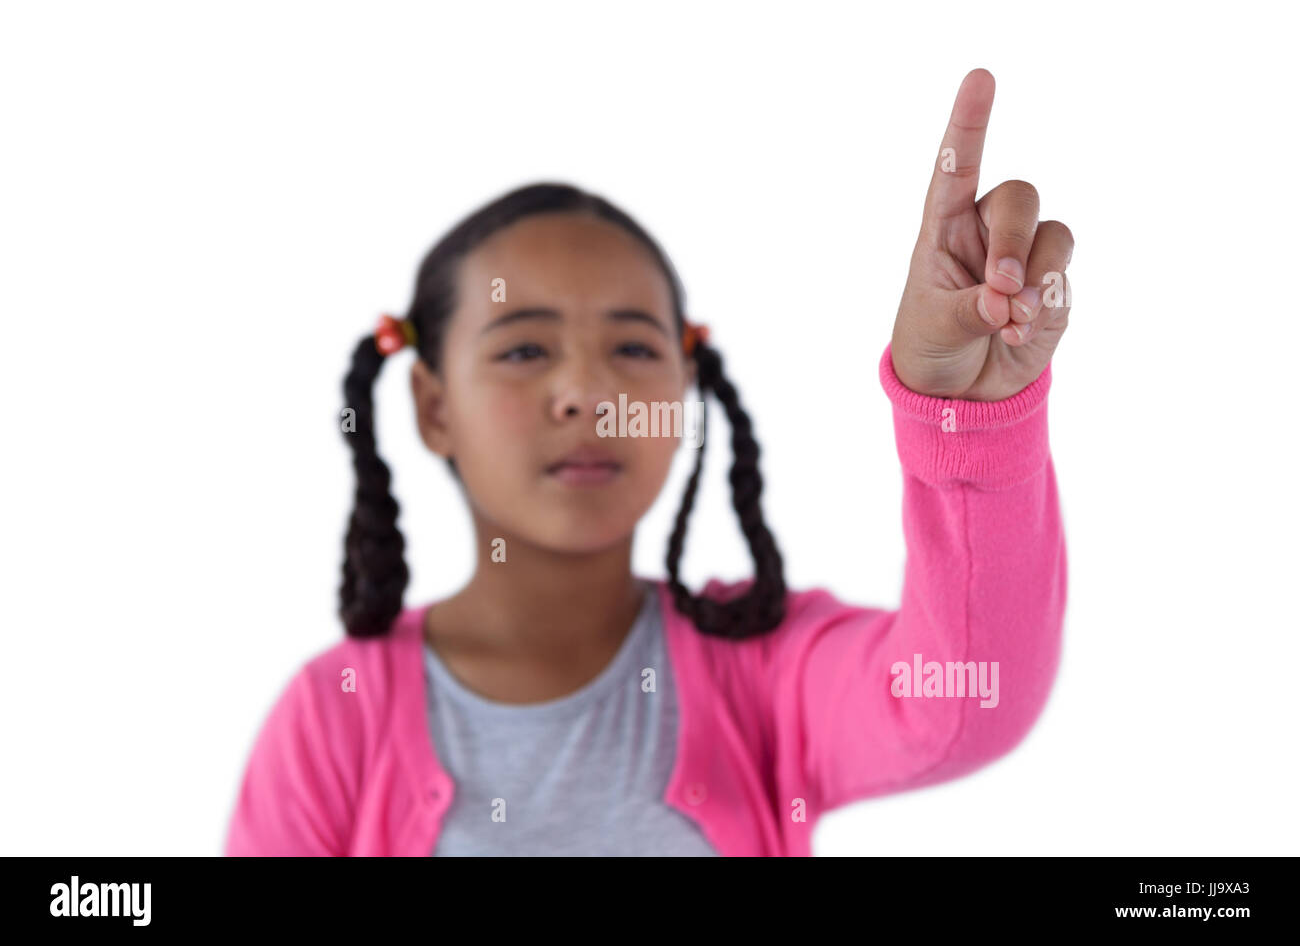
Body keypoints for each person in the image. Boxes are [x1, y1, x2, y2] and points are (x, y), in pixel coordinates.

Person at [224, 67, 1071, 856]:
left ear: (684, 388)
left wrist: (966, 414)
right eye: (524, 351)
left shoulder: (761, 669)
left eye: (632, 347)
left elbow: (967, 698)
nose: (588, 393)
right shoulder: (331, 722)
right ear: (434, 407)